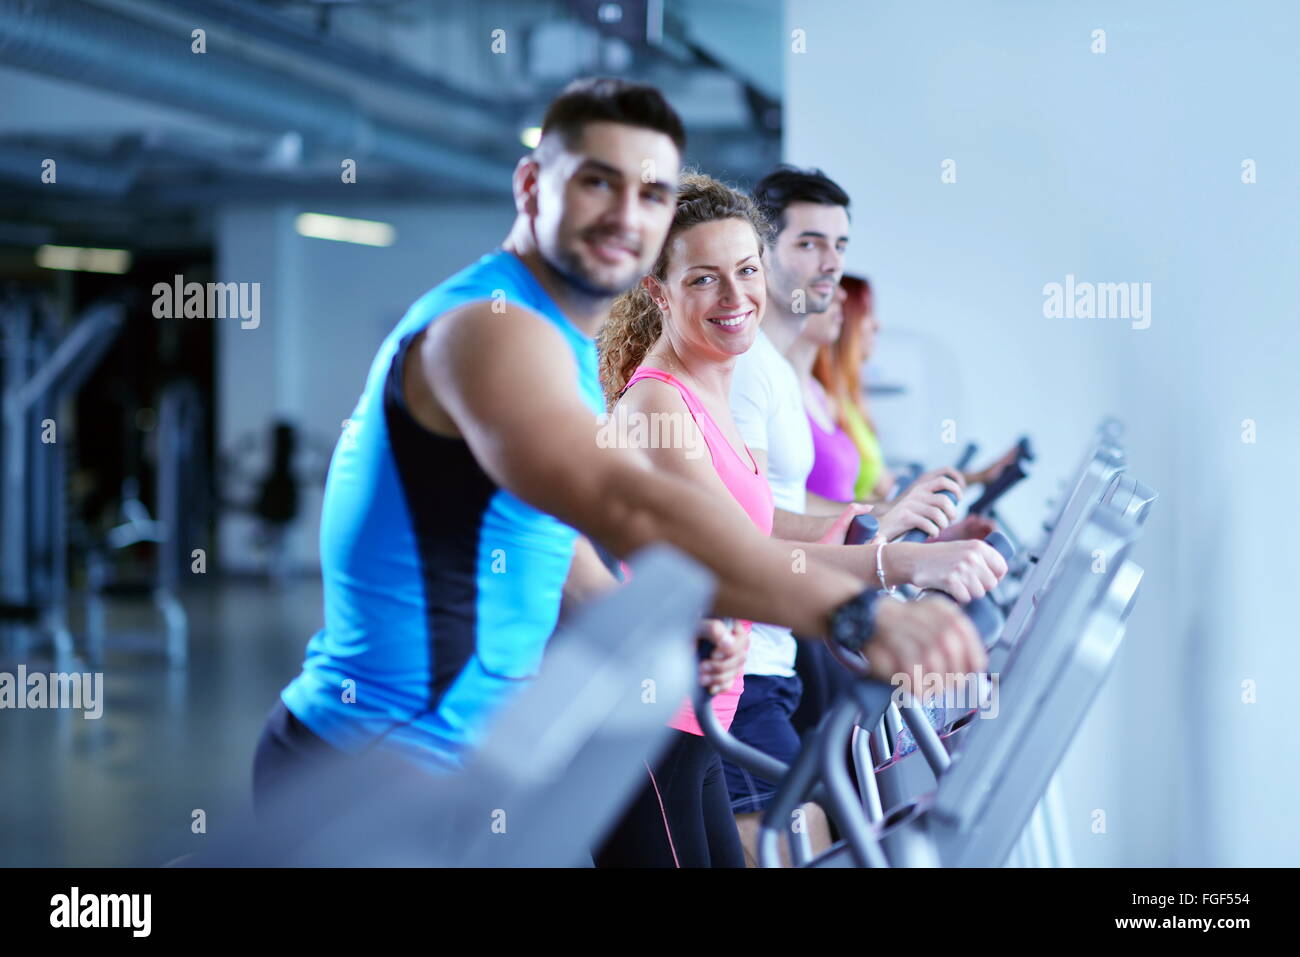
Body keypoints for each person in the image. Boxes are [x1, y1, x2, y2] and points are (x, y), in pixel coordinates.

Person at [253, 80, 990, 836]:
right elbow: (627, 505)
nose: (625, 214)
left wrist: (653, 624)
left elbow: (560, 552)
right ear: (533, 184)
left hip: (466, 768)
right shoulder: (490, 328)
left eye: (652, 192)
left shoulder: (559, 346)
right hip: (371, 765)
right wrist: (854, 611)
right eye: (597, 181)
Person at [722, 166, 1007, 860]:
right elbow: (738, 531)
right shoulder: (745, 367)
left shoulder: (776, 370)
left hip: (775, 652)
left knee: (814, 831)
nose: (832, 264)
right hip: (738, 666)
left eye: (840, 245)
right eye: (811, 243)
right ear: (760, 251)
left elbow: (773, 508)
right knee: (799, 838)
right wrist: (889, 554)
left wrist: (874, 516)